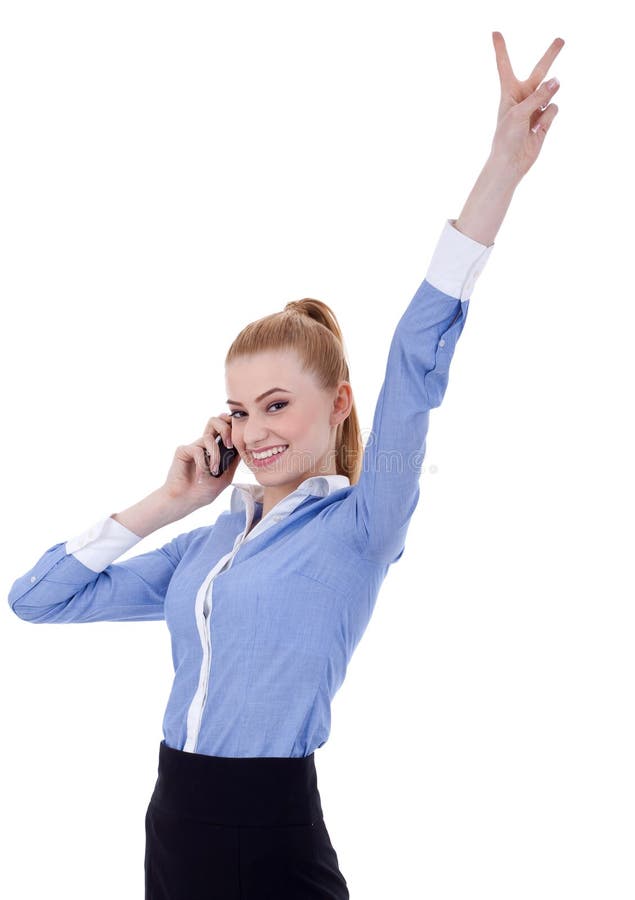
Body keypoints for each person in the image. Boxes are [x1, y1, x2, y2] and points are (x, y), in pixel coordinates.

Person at [8, 30, 564, 900]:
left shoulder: (362, 524)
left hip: (273, 829)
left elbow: (418, 360)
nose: (256, 430)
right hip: (174, 822)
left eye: (277, 404)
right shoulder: (203, 553)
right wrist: (170, 500)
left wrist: (499, 169)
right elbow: (36, 601)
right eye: (239, 408)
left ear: (336, 403)